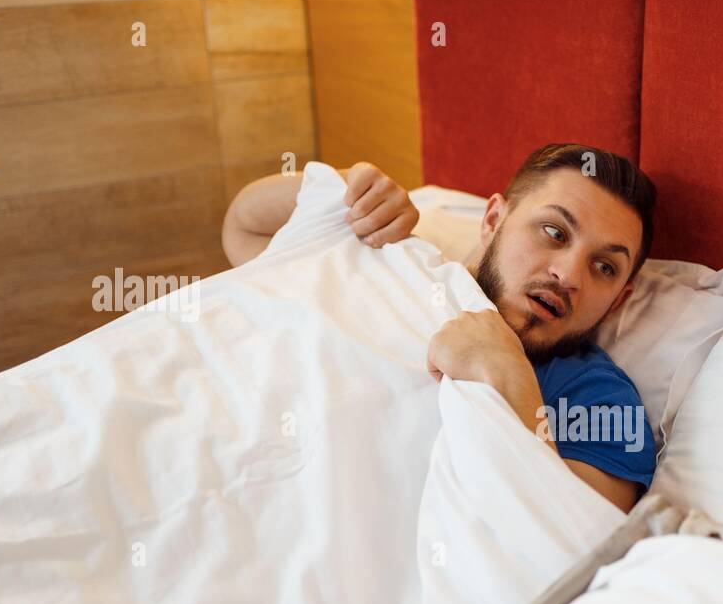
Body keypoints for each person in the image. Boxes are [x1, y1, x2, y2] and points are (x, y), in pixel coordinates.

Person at [222, 143, 658, 512]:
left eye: (604, 266)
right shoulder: (397, 266)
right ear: (492, 221)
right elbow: (244, 229)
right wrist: (345, 191)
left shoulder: (594, 393)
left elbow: (586, 528)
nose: (569, 275)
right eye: (554, 232)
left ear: (619, 299)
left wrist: (505, 371)